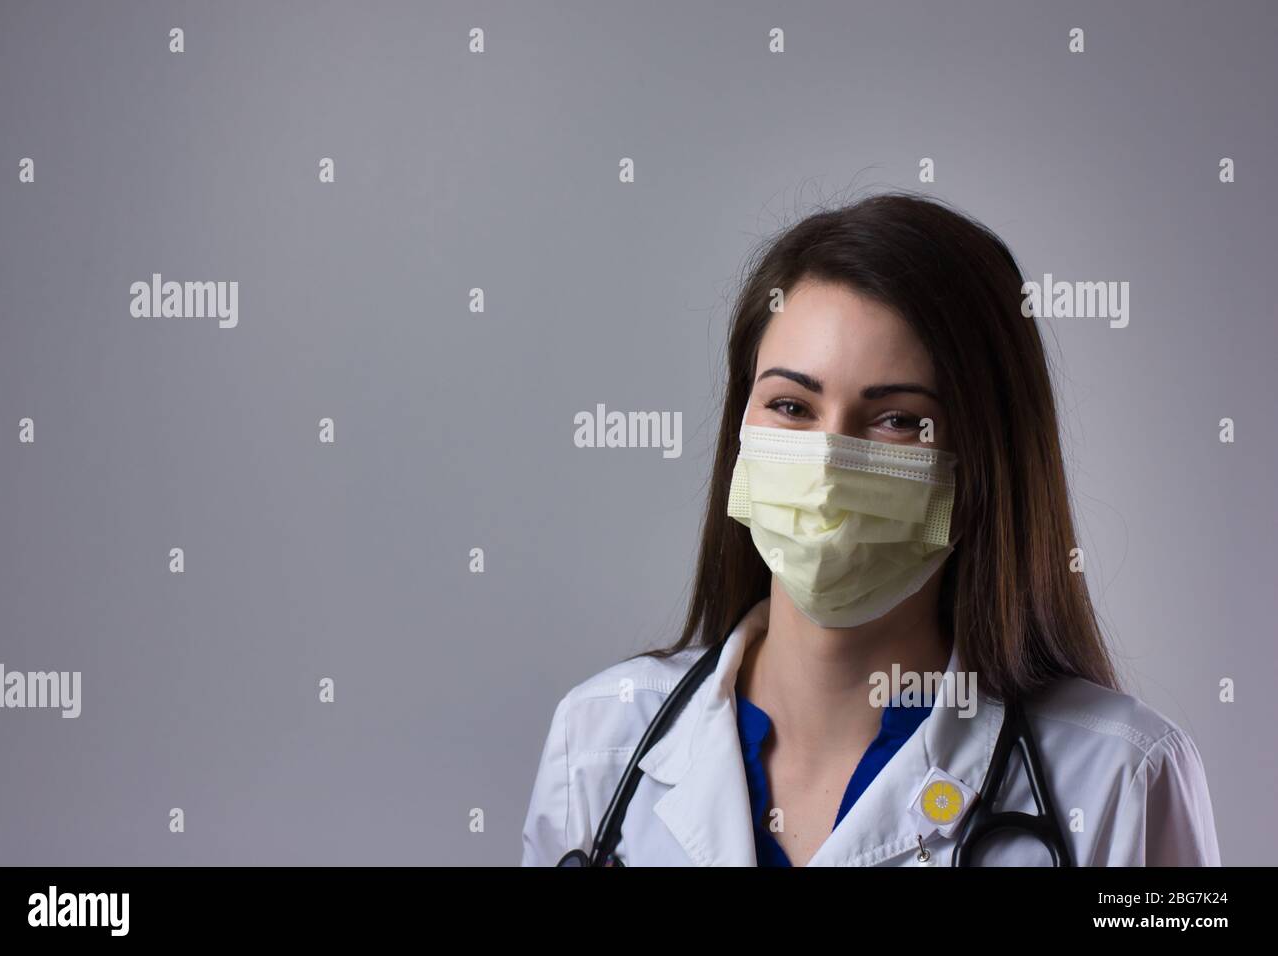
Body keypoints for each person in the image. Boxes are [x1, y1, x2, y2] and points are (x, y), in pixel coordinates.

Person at [520, 192, 1222, 866]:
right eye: (792, 407)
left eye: (894, 419)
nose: (828, 463)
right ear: (741, 429)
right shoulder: (600, 741)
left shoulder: (1122, 779)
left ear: (985, 458)